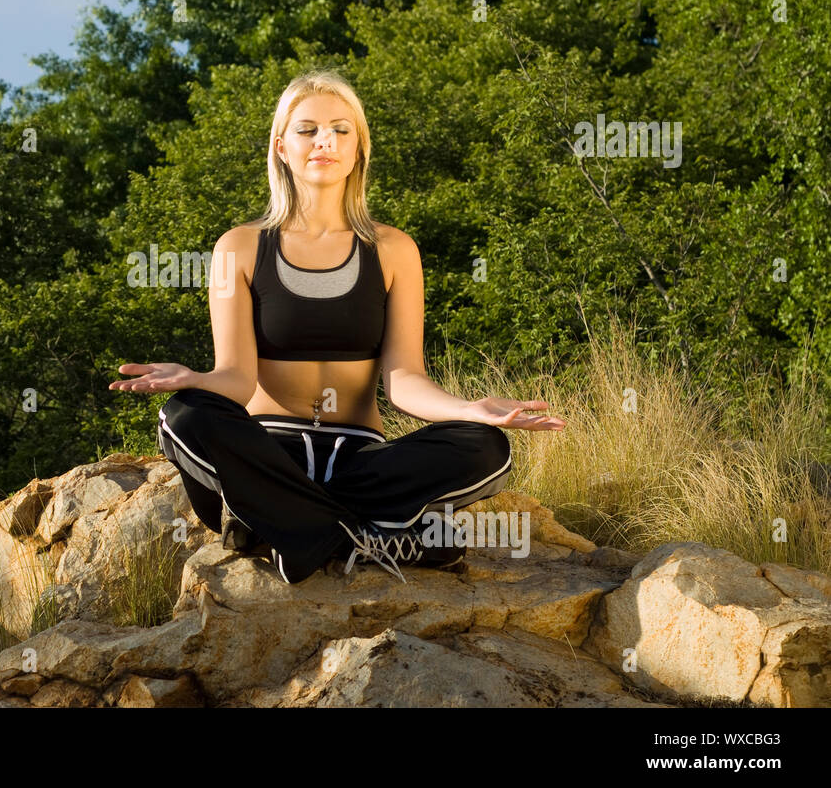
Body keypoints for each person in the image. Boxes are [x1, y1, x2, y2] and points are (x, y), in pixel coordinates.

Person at [109, 69, 565, 585]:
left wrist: (471, 408)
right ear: (281, 146)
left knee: (486, 446)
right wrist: (193, 379)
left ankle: (289, 527)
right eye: (307, 130)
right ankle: (364, 535)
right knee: (183, 416)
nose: (324, 140)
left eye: (340, 130)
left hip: (359, 462)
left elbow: (405, 382)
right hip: (266, 455)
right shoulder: (237, 247)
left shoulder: (394, 249)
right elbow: (235, 379)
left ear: (358, 149)